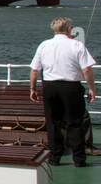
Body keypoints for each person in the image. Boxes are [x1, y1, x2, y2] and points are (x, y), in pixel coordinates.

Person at [29, 17, 96, 167]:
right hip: (71, 87)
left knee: (53, 123)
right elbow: (87, 69)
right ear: (69, 29)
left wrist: (33, 88)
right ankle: (79, 159)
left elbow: (34, 70)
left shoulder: (44, 45)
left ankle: (54, 158)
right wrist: (92, 88)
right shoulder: (77, 45)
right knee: (75, 122)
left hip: (50, 87)